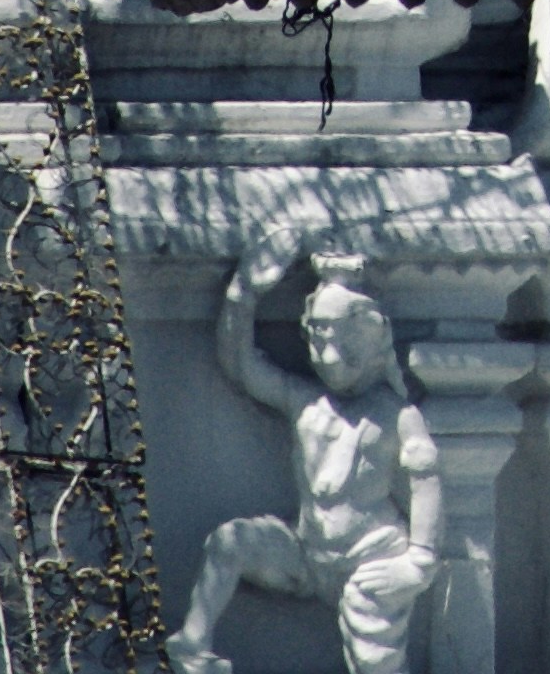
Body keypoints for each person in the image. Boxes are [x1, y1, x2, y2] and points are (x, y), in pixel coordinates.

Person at [172, 249, 443, 674]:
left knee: (375, 659)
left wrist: (418, 562)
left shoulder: (395, 414)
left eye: (344, 344)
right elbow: (241, 366)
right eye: (319, 340)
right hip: (307, 553)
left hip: (371, 558)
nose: (328, 356)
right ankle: (191, 646)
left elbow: (425, 478)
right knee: (231, 542)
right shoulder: (304, 402)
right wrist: (243, 296)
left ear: (370, 342)